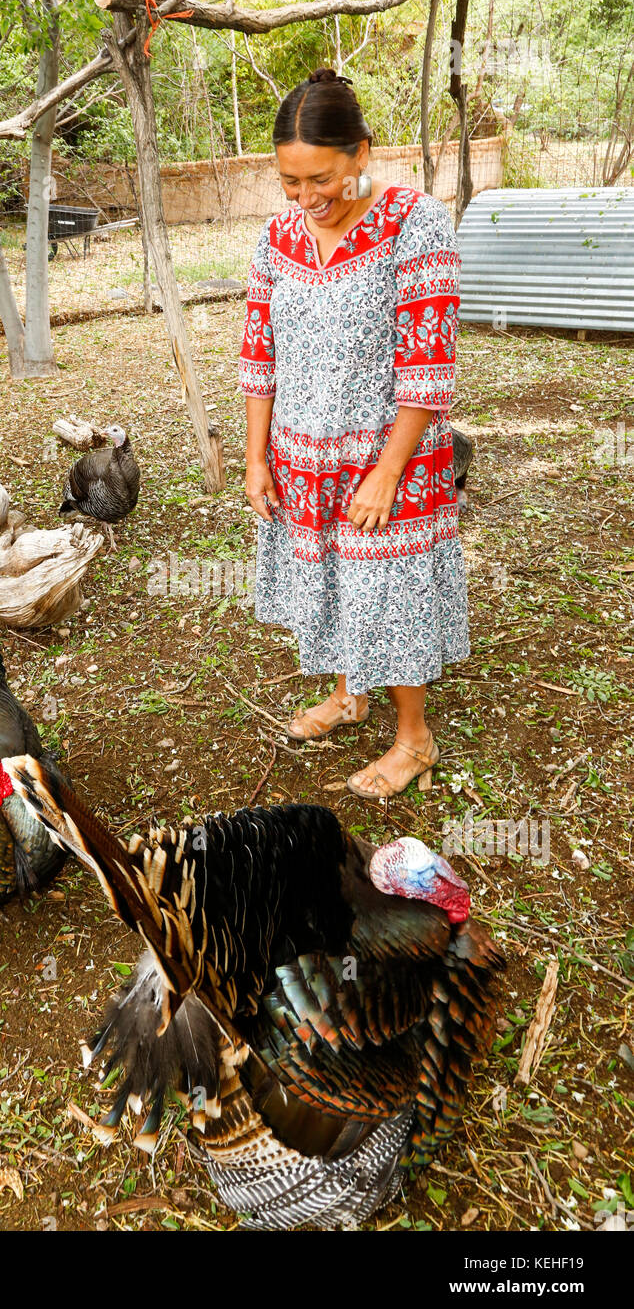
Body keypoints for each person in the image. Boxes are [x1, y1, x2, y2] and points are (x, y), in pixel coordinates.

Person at [241, 66, 469, 801]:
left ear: (362, 152)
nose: (308, 198)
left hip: (387, 453)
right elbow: (258, 353)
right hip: (303, 456)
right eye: (291, 182)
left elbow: (427, 361)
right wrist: (256, 458)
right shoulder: (278, 238)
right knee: (334, 578)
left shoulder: (415, 221)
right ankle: (349, 695)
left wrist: (388, 471)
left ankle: (414, 739)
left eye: (323, 178)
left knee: (389, 588)